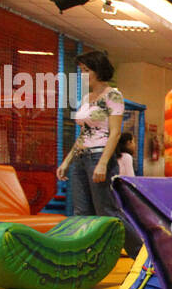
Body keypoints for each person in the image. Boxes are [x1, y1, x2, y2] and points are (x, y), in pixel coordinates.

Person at [55, 50, 140, 258]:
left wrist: (103, 163)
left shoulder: (113, 95)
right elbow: (84, 133)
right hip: (82, 158)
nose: (83, 75)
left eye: (86, 70)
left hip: (99, 156)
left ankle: (142, 254)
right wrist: (67, 160)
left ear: (98, 71)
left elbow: (114, 133)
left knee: (107, 211)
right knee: (81, 212)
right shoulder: (85, 98)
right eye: (80, 71)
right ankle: (85, 256)